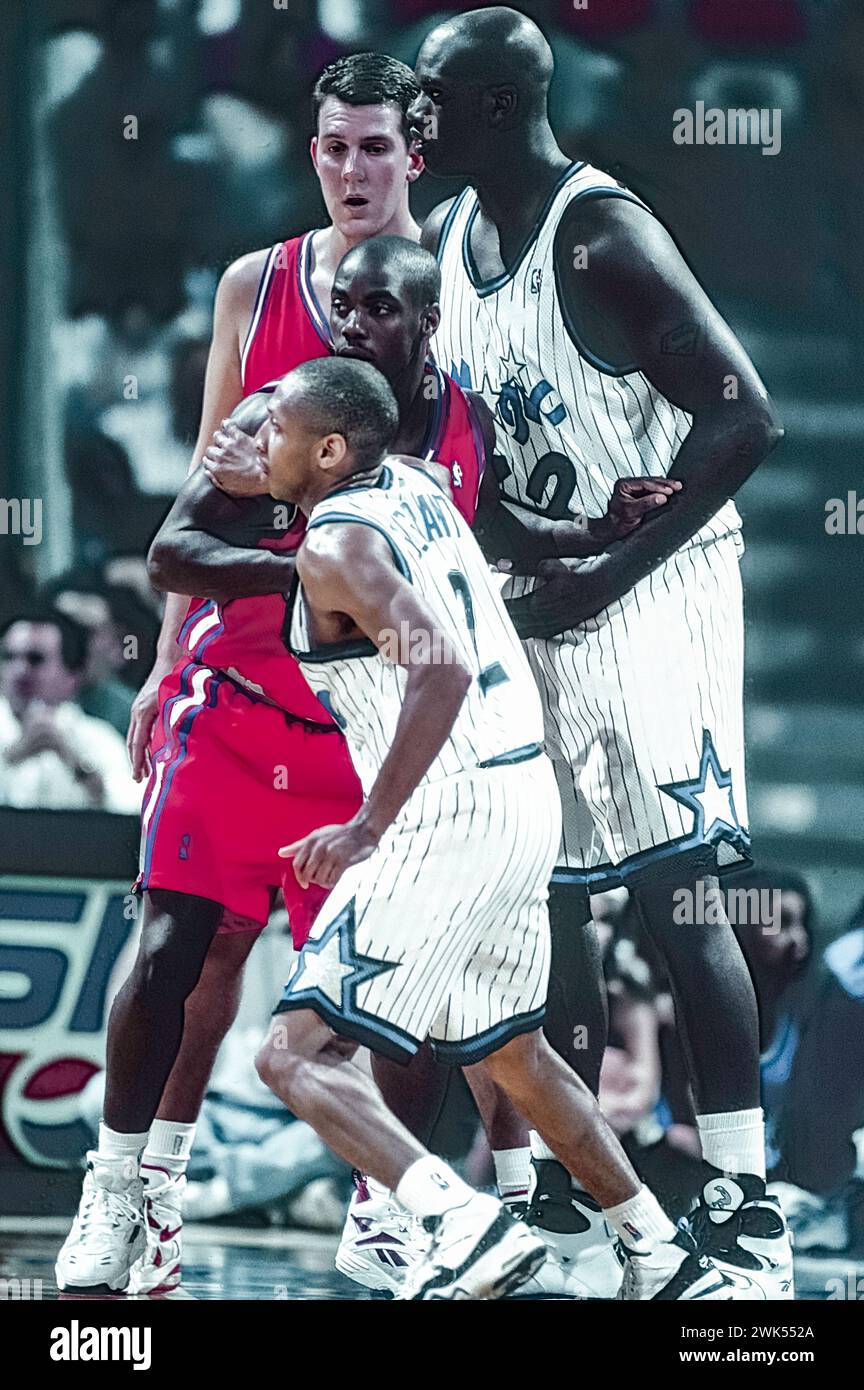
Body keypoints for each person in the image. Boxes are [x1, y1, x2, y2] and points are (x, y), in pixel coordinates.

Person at [411, 5, 791, 1297]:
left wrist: (609, 568)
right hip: (547, 583)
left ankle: (748, 1213)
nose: (420, 121)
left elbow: (746, 419)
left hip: (657, 586)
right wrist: (541, 557)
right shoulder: (450, 237)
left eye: (438, 98)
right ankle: (575, 1205)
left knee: (680, 895)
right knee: (552, 900)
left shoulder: (605, 235)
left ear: (500, 106)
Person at [253, 354, 745, 1302]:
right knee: (512, 1052)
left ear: (328, 450)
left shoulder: (334, 549)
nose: (259, 438)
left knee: (293, 1053)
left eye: (274, 426)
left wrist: (366, 826)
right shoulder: (412, 483)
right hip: (523, 795)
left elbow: (437, 666)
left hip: (448, 810)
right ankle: (661, 1256)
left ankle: (459, 1223)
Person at [0, 610, 139, 814]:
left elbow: (130, 811)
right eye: (9, 657)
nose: (19, 670)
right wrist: (11, 757)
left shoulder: (99, 740)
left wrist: (77, 765)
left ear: (72, 676)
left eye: (35, 659)